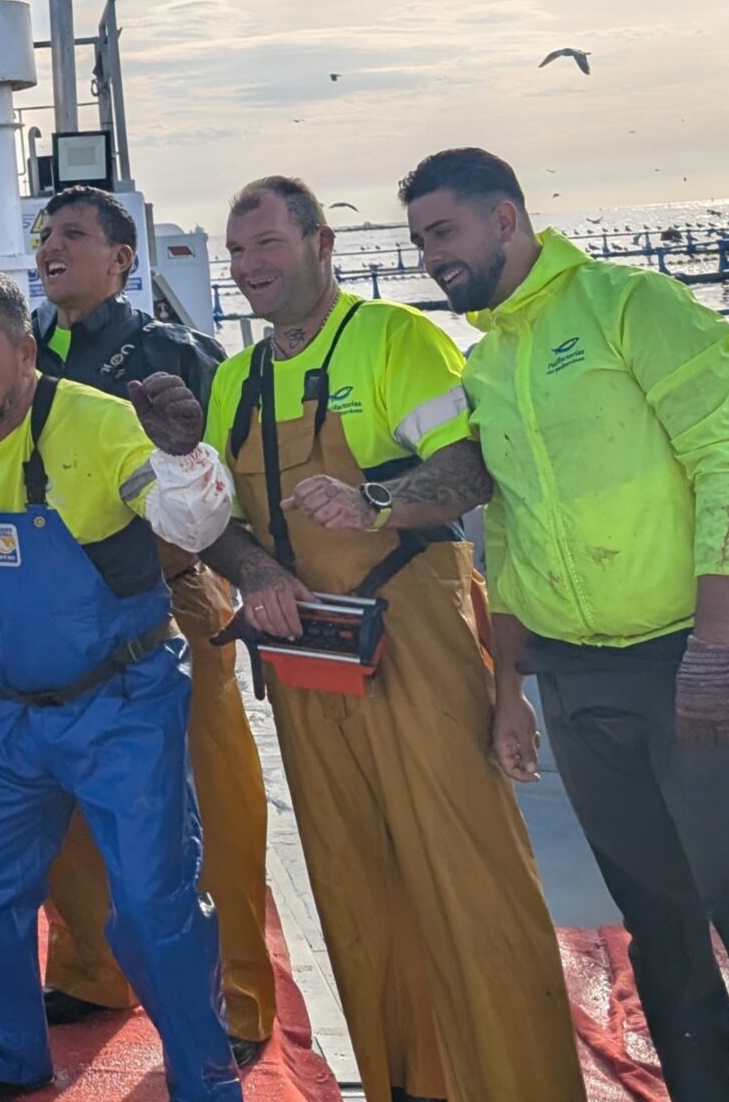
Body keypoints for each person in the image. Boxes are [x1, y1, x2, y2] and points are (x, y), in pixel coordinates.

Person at [198, 176, 584, 1102]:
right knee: (351, 882)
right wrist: (257, 575)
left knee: (470, 875)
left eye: (267, 246)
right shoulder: (234, 379)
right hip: (305, 657)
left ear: (321, 243)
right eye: (237, 251)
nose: (250, 266)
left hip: (416, 635)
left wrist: (376, 500)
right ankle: (409, 1083)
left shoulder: (392, 339)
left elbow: (468, 468)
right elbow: (215, 513)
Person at [401, 147, 729, 1101]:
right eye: (420, 240)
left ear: (506, 219)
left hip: (689, 659)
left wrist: (714, 644)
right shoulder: (490, 361)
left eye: (444, 232)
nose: (431, 258)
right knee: (656, 919)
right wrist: (510, 691)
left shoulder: (633, 307)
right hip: (579, 683)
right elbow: (506, 529)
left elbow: (723, 456)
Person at [0, 267, 239, 1102]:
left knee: (153, 905)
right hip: (11, 710)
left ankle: (207, 1078)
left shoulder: (104, 424)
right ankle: (6, 1056)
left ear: (25, 350)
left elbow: (191, 524)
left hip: (127, 700)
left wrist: (184, 454)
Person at [27, 188, 276, 1064]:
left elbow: (229, 485)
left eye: (74, 234)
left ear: (123, 258)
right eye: (45, 233)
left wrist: (257, 579)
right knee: (70, 808)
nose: (51, 245)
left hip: (171, 597)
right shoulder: (23, 352)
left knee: (213, 803)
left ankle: (237, 997)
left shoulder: (176, 352)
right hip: (55, 612)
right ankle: (92, 970)